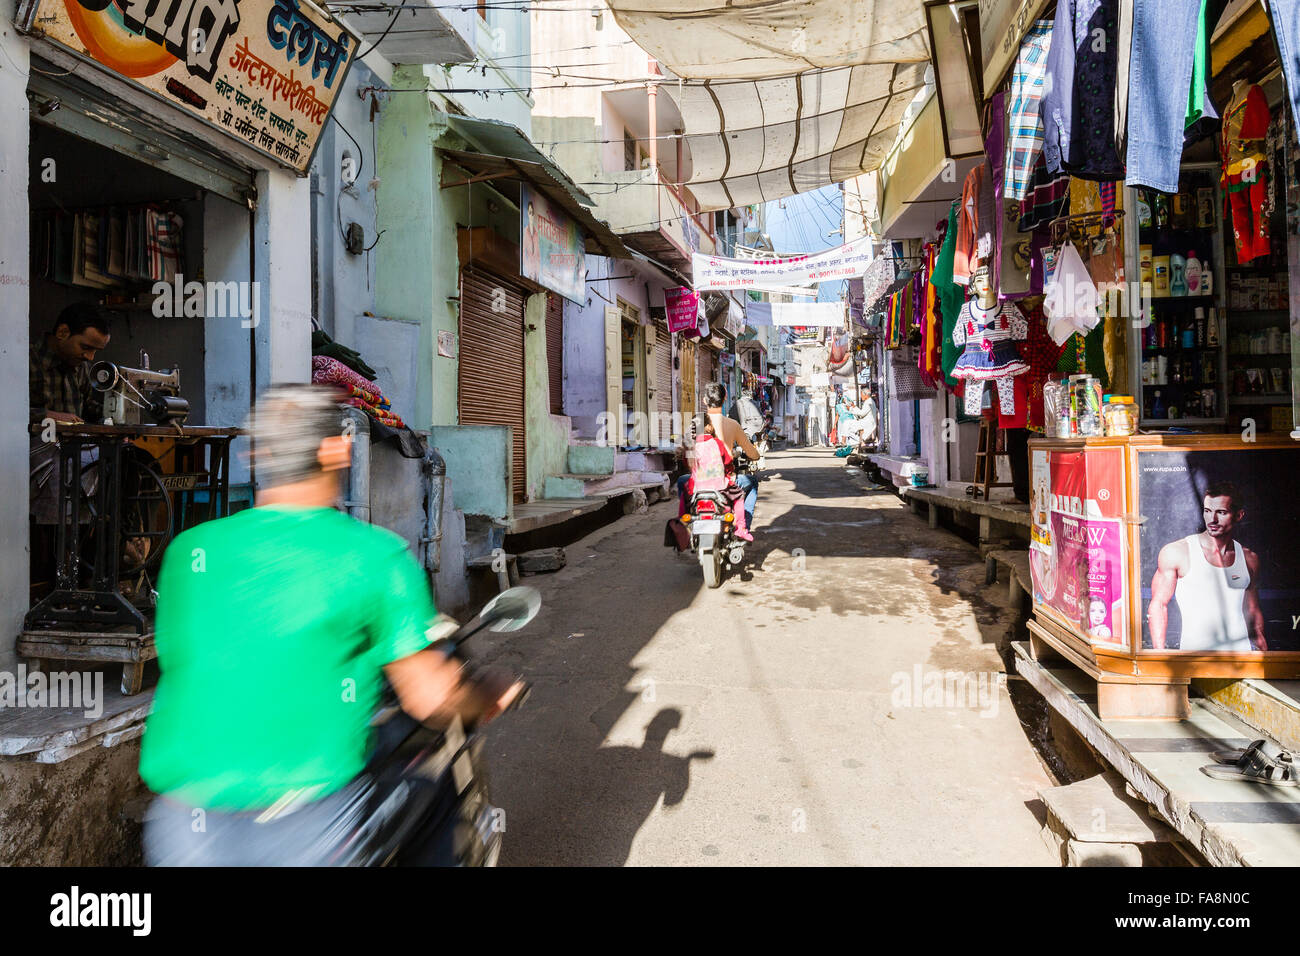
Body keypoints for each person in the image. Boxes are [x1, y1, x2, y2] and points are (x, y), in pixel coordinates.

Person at [139, 385, 523, 865]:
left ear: (257, 455)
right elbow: (430, 698)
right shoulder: (372, 556)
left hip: (181, 824)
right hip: (305, 825)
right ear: (338, 450)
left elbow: (190, 659)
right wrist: (485, 696)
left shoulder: (190, 552)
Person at [1148, 480, 1266, 652]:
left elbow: (1253, 612)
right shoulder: (1178, 552)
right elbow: (1158, 605)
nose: (1213, 519)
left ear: (1239, 515)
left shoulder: (1249, 558)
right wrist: (1159, 656)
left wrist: (1265, 655)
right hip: (1195, 661)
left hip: (1241, 659)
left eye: (1221, 512)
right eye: (1207, 511)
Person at [677, 383, 761, 531]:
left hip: (699, 481)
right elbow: (752, 454)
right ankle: (742, 528)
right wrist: (754, 455)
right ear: (725, 399)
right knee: (752, 482)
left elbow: (684, 448)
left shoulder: (697, 423)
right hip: (723, 480)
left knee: (681, 481)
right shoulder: (733, 424)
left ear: (704, 401)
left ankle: (686, 520)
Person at [29, 303, 110, 425]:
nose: (90, 357)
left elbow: (89, 408)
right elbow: (6, 409)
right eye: (85, 347)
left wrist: (113, 415)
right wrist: (46, 415)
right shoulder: (23, 360)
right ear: (62, 332)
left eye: (95, 351)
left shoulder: (82, 367)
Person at [522, 201, 541, 279]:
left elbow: (538, 255)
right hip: (528, 271)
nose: (531, 215)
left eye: (533, 213)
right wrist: (526, 269)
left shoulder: (536, 233)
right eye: (530, 212)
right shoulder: (525, 232)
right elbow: (523, 252)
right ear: (527, 213)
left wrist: (538, 272)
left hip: (537, 271)